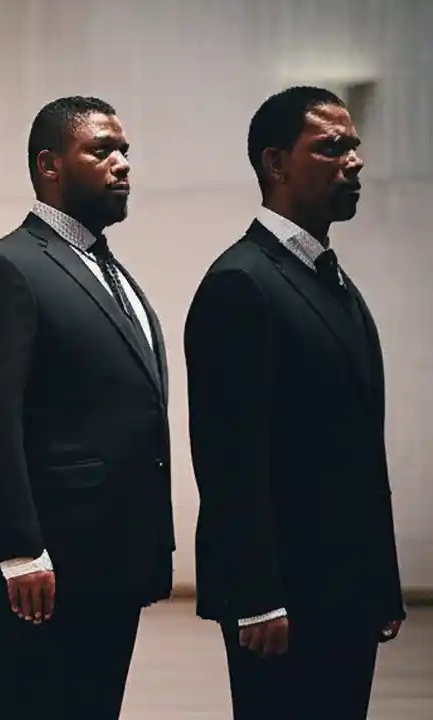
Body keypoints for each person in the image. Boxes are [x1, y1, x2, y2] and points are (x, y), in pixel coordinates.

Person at [185, 86, 405, 720]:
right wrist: (255, 595)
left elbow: (360, 450)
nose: (353, 162)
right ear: (276, 164)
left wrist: (381, 582)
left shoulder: (333, 280)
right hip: (284, 597)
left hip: (346, 588)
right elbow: (229, 458)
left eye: (354, 147)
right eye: (331, 148)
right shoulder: (241, 282)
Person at [0, 96, 173, 719]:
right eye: (101, 150)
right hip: (44, 566)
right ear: (49, 165)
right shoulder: (8, 266)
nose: (122, 163)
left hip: (112, 559)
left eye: (125, 151)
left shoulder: (113, 272)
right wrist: (19, 549)